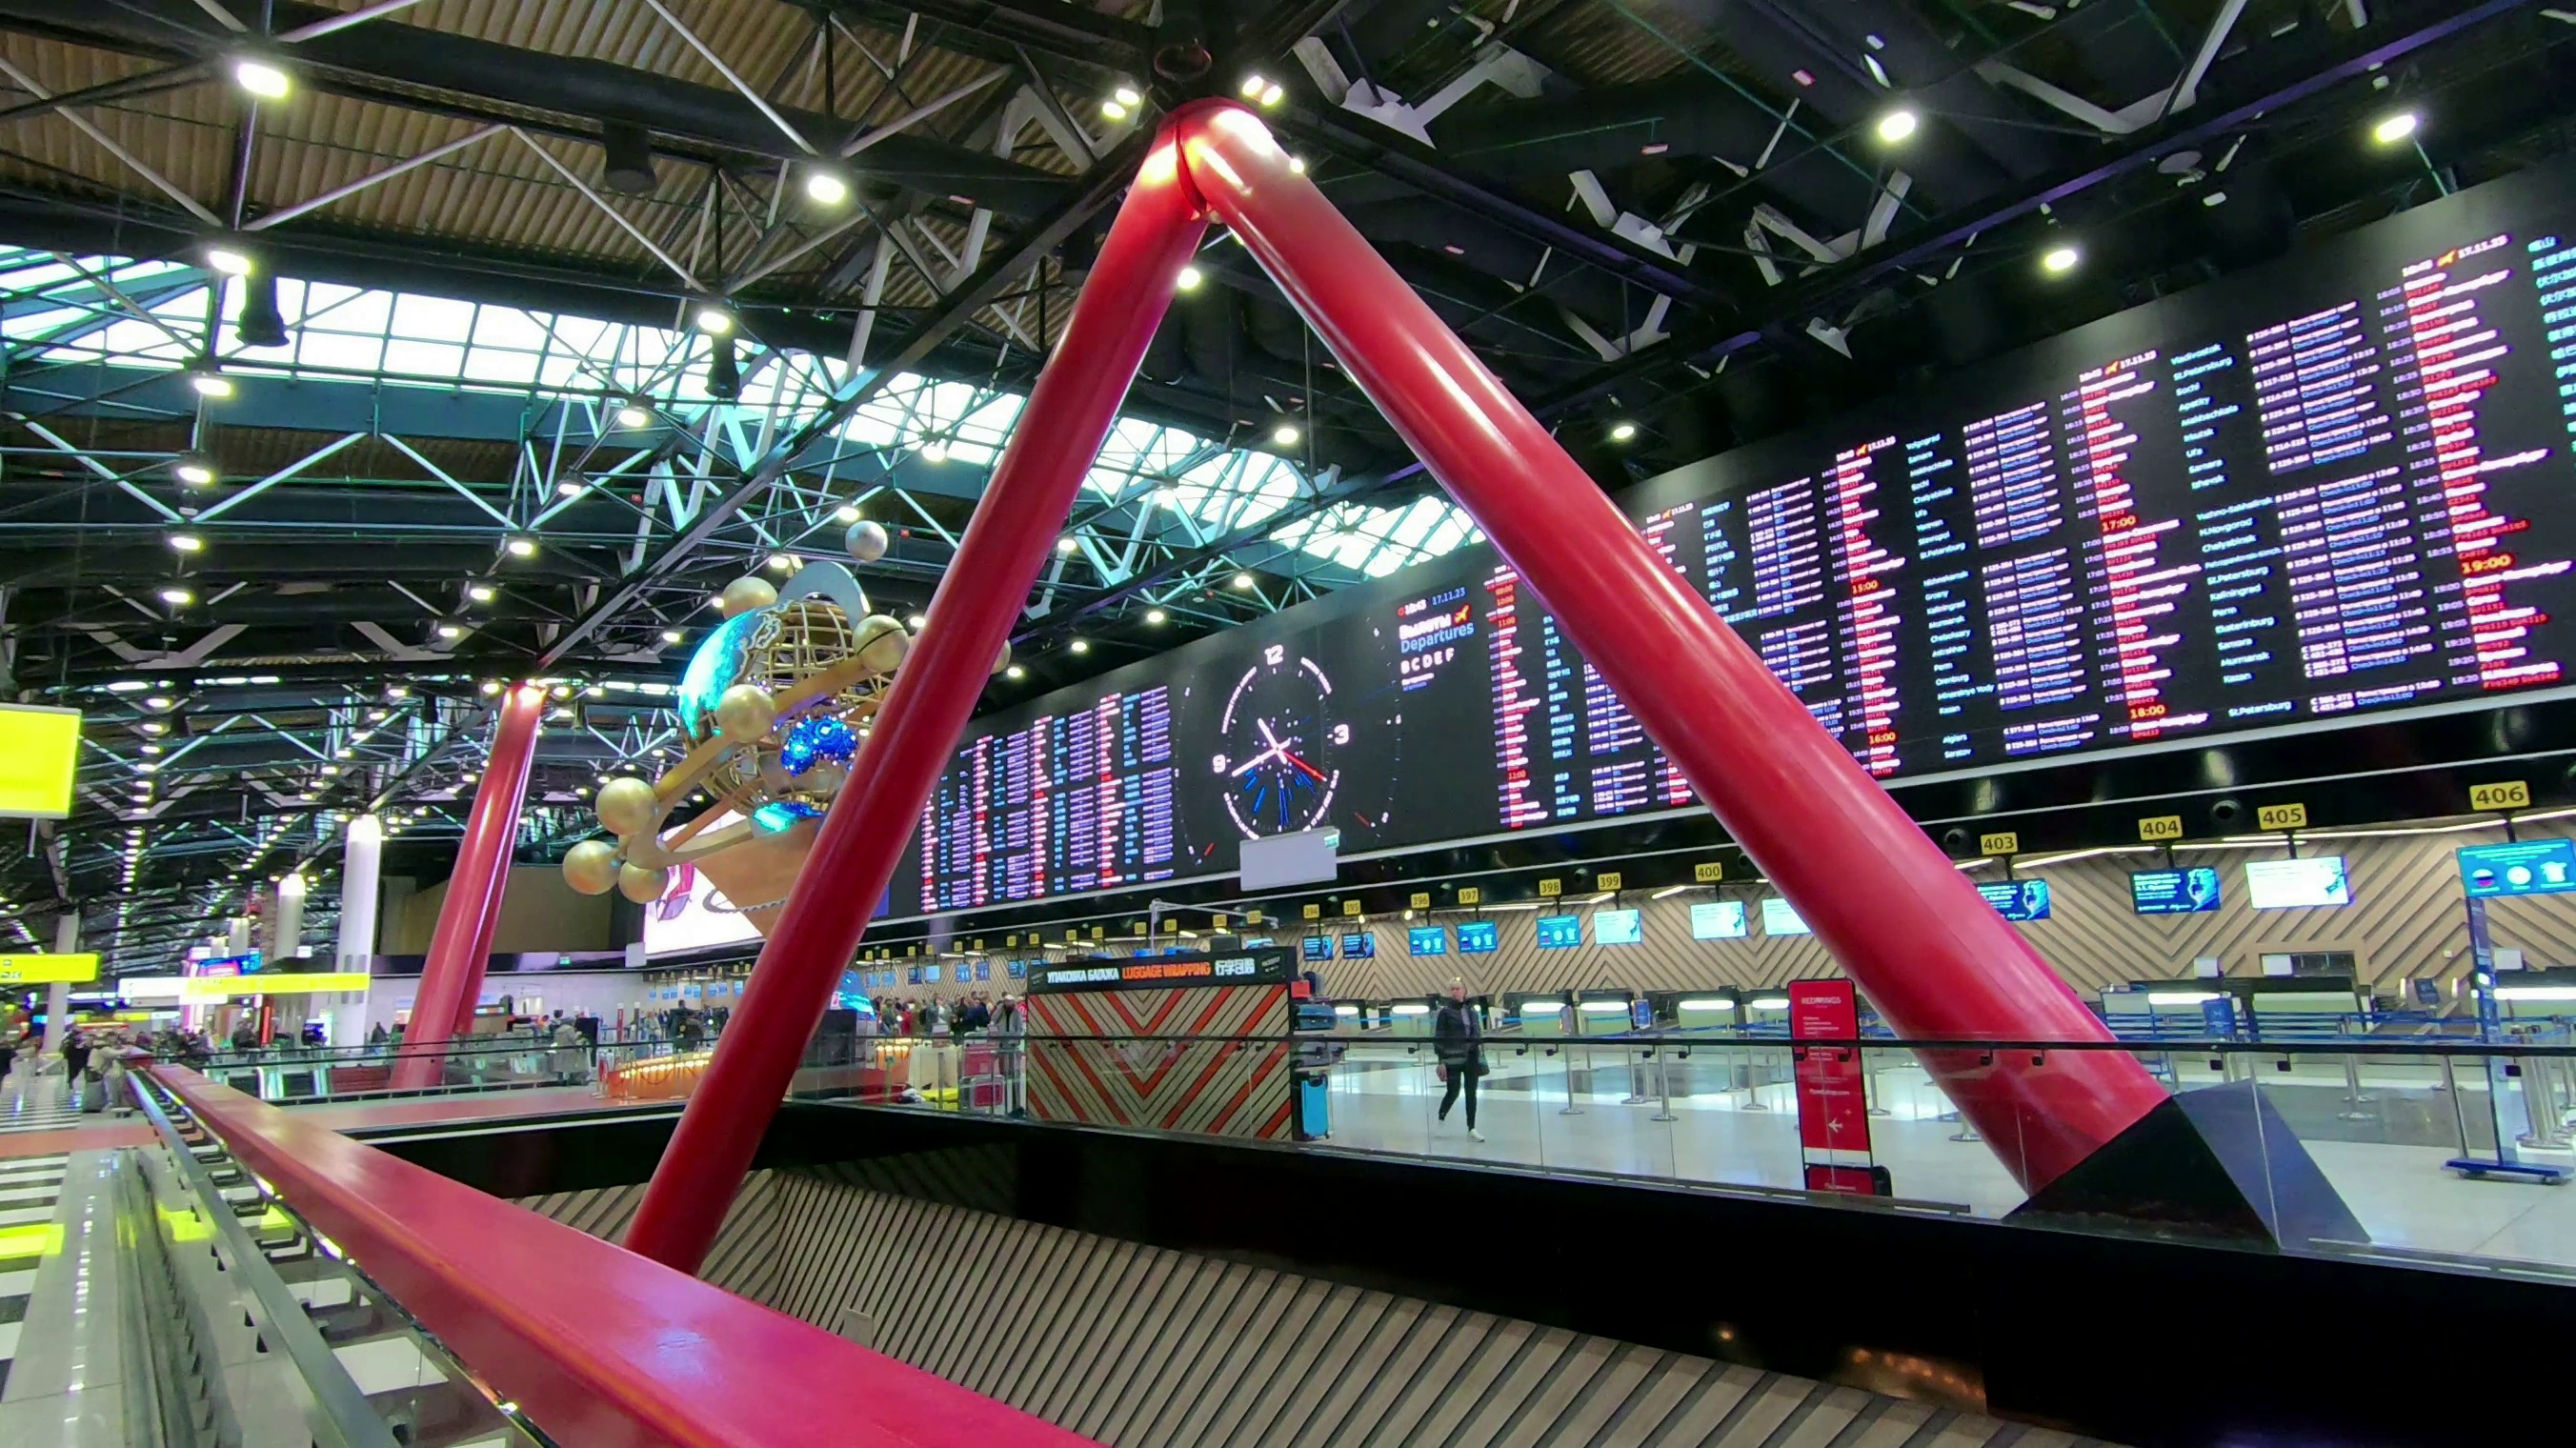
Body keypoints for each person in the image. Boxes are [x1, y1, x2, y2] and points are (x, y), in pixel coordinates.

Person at [1431, 979, 1487, 1142]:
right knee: (1453, 1091)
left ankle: (1472, 1128)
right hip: (1452, 1057)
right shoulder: (1445, 1013)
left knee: (1471, 1092)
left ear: (1464, 990)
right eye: (1452, 989)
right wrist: (1441, 1060)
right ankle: (1441, 1118)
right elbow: (1439, 1037)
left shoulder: (1471, 1012)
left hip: (1471, 1057)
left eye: (1458, 988)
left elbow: (1477, 1033)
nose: (1455, 992)